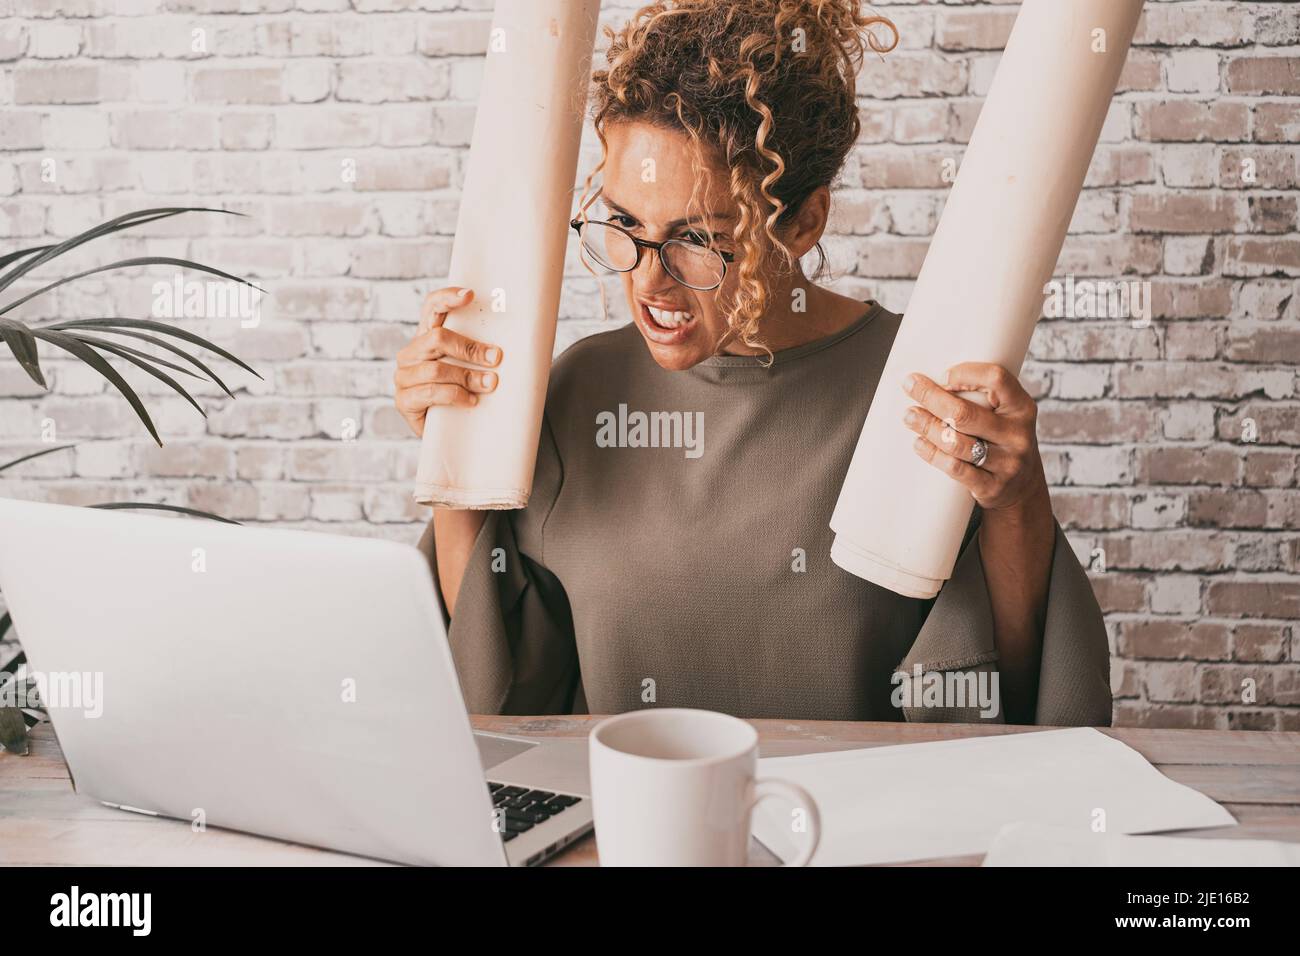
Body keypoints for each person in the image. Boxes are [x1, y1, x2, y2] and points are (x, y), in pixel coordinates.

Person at [393, 0, 1111, 726]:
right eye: (624, 225)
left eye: (697, 238)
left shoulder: (918, 393)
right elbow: (501, 697)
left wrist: (1017, 504)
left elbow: (1003, 718)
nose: (647, 282)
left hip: (860, 835)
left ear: (803, 222)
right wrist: (451, 448)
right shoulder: (581, 392)